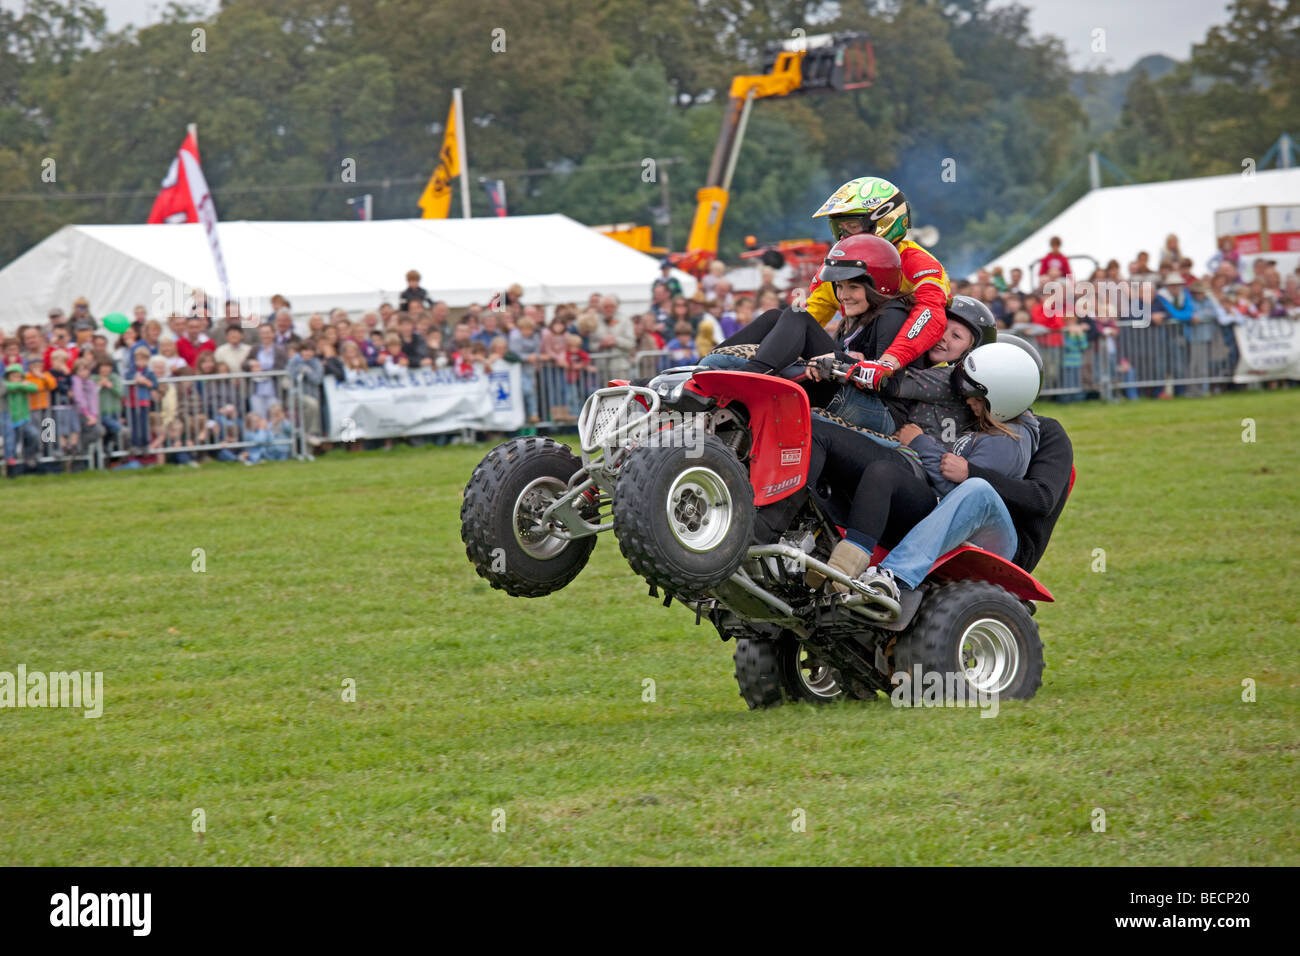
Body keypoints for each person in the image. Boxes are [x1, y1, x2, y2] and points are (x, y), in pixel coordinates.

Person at [780, 342, 1042, 600]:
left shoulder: (1009, 442)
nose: (967, 399)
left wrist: (919, 442)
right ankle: (821, 555)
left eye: (976, 396)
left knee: (973, 487)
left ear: (1002, 400)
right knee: (881, 469)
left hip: (971, 533)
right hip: (935, 511)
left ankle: (890, 576)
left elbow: (956, 495)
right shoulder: (989, 427)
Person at [804, 176, 951, 379]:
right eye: (840, 229)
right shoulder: (840, 261)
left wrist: (888, 361)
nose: (845, 238)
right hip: (853, 363)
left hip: (913, 374)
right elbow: (811, 313)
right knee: (788, 318)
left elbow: (929, 314)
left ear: (884, 220)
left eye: (852, 227)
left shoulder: (920, 264)